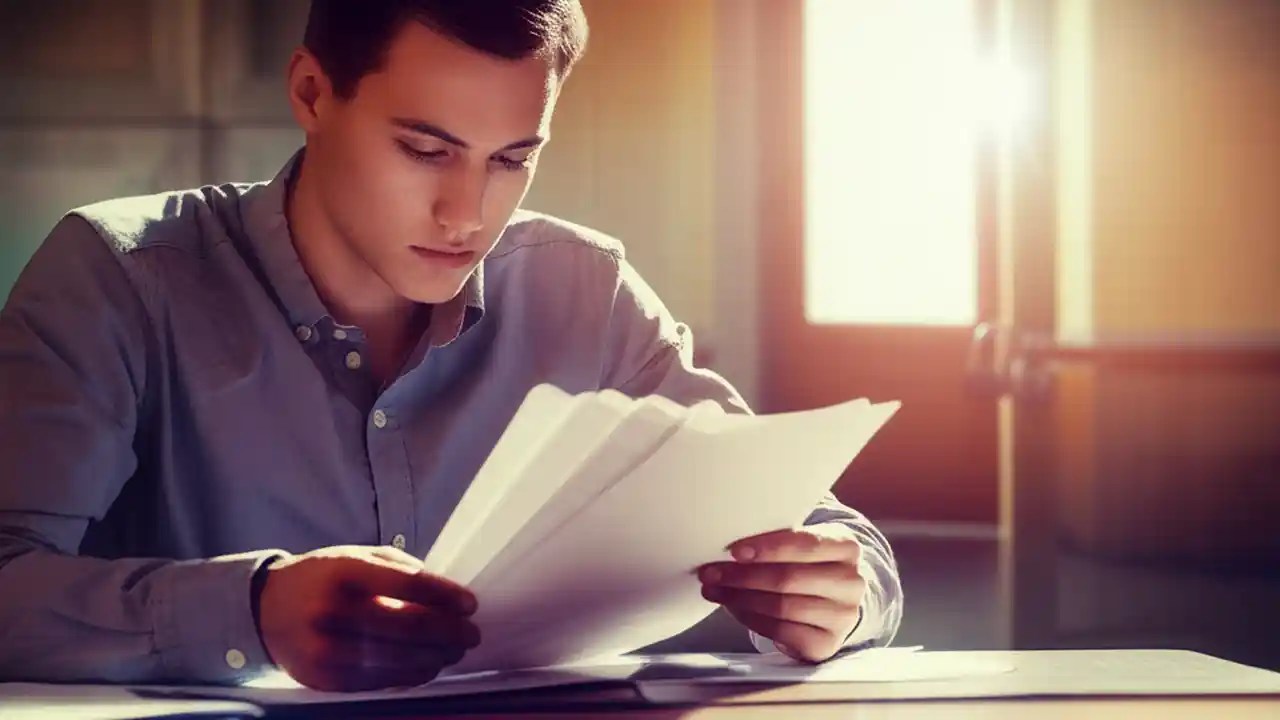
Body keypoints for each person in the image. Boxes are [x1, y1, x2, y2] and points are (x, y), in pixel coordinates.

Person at [0, 0, 901, 692]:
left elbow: (826, 529)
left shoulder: (583, 290)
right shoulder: (119, 278)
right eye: (426, 150)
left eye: (511, 159)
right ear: (311, 93)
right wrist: (254, 611)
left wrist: (840, 594)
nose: (467, 214)